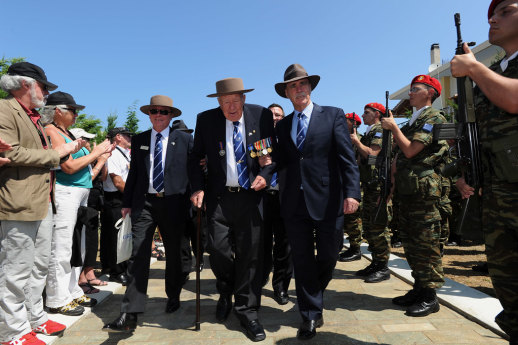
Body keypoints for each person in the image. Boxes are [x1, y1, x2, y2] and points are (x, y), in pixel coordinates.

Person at [274, 64, 360, 340]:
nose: (299, 89)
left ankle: (315, 294)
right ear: (287, 93)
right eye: (293, 86)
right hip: (293, 202)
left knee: (328, 255)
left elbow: (347, 158)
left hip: (328, 199)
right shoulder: (284, 125)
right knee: (301, 259)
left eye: (303, 84)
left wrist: (352, 193)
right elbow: (281, 160)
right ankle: (310, 313)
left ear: (310, 87)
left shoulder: (333, 115)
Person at [0, 62, 82, 345]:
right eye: (44, 87)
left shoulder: (33, 116)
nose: (46, 93)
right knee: (15, 270)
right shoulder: (4, 110)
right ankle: (11, 332)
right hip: (18, 202)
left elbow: (19, 154)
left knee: (39, 266)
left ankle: (35, 318)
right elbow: (13, 153)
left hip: (43, 201)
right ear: (25, 84)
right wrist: (58, 153)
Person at [451, 1, 518, 342]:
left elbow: (515, 100)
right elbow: (473, 130)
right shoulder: (497, 68)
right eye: (491, 13)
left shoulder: (487, 71)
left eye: (506, 10)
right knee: (510, 296)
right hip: (496, 196)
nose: (493, 18)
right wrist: (467, 172)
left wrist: (474, 69)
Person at [189, 78, 276, 342]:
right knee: (218, 251)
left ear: (243, 99)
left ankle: (247, 310)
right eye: (225, 102)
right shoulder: (206, 120)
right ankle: (225, 290)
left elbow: (269, 154)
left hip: (251, 197)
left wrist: (265, 173)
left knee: (251, 255)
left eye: (235, 101)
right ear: (218, 102)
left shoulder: (260, 116)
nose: (230, 107)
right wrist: (197, 188)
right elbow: (195, 157)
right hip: (219, 198)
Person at [103, 95, 192, 333]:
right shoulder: (141, 139)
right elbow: (134, 175)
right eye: (154, 111)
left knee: (174, 253)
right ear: (149, 115)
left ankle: (173, 294)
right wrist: (128, 202)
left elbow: (194, 170)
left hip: (174, 203)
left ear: (171, 115)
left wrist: (197, 193)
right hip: (145, 204)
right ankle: (129, 312)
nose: (159, 115)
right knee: (138, 254)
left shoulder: (183, 139)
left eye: (164, 111)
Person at [380, 74, 449, 317]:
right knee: (410, 241)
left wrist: (394, 127)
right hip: (409, 189)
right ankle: (419, 289)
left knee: (426, 242)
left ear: (430, 93)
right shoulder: (413, 121)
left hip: (423, 191)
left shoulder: (433, 117)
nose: (410, 93)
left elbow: (410, 150)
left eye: (415, 89)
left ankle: (430, 296)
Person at [42, 91, 114, 316]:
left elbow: (82, 168)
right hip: (66, 191)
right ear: (57, 111)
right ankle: (56, 297)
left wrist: (99, 157)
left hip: (81, 192)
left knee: (76, 247)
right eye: (72, 111)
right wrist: (97, 153)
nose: (76, 115)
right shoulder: (51, 131)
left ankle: (72, 291)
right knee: (62, 247)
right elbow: (70, 167)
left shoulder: (67, 131)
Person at [349, 103, 392, 283]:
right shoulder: (369, 132)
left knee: (378, 227)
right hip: (368, 185)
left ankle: (382, 266)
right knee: (369, 226)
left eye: (366, 113)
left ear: (376, 114)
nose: (363, 115)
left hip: (377, 186)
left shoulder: (379, 131)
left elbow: (372, 155)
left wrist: (357, 142)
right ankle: (375, 262)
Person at [262, 103, 293, 305]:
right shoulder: (259, 139)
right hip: (262, 198)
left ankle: (281, 286)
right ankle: (260, 278)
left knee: (284, 246)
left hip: (286, 198)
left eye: (279, 115)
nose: (275, 118)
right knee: (261, 245)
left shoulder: (291, 139)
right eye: (272, 115)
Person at [101, 127, 132, 286]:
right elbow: (117, 181)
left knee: (124, 235)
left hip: (123, 197)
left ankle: (122, 267)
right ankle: (116, 271)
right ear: (118, 137)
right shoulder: (113, 153)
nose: (130, 138)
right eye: (127, 135)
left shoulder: (125, 153)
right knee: (116, 237)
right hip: (116, 198)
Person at [339, 112, 363, 262]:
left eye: (345, 120)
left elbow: (356, 162)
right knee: (346, 219)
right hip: (342, 181)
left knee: (354, 218)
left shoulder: (356, 139)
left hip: (354, 182)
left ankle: (356, 248)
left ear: (353, 123)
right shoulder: (343, 137)